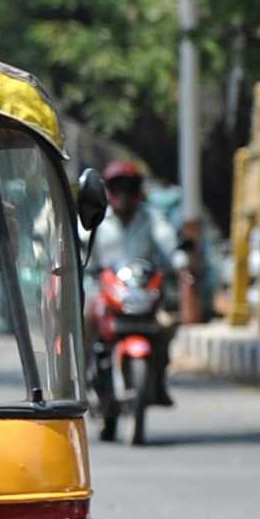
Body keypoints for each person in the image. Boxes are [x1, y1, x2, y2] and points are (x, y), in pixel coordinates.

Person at [91, 158, 181, 404]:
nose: (123, 195)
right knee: (84, 320)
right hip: (105, 291)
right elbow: (79, 242)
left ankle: (158, 380)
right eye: (117, 188)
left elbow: (169, 242)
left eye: (129, 188)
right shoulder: (98, 219)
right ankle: (81, 377)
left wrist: (181, 262)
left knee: (167, 325)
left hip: (143, 291)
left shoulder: (151, 218)